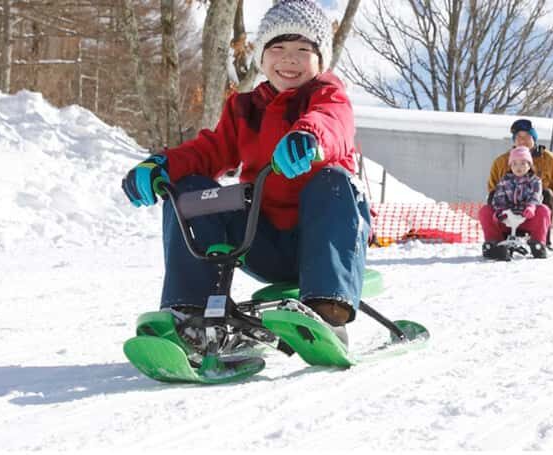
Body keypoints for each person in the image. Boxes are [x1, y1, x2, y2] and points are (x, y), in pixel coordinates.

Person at [120, 0, 368, 348]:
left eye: (303, 50)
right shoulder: (245, 108)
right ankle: (190, 313)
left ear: (321, 59)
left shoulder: (328, 96)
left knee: (334, 183)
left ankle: (327, 313)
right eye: (277, 48)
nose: (289, 59)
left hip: (324, 244)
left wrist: (309, 136)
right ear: (261, 58)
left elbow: (332, 121)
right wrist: (162, 166)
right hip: (260, 240)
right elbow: (208, 151)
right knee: (191, 191)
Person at [487, 118, 553, 246]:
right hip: (507, 209)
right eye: (518, 137)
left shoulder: (549, 159)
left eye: (527, 136)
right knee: (493, 195)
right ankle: (496, 239)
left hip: (535, 208)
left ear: (534, 138)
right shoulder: (501, 161)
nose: (523, 140)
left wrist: (545, 204)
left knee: (547, 193)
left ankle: (542, 241)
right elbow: (492, 186)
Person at [479, 146, 552, 260]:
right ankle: (494, 244)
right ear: (510, 166)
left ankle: (537, 244)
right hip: (506, 219)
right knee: (485, 211)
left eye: (523, 163)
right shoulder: (504, 181)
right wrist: (501, 212)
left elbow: (535, 196)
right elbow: (499, 199)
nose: (519, 167)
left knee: (544, 210)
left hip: (526, 218)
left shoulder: (535, 181)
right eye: (515, 164)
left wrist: (531, 207)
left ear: (529, 165)